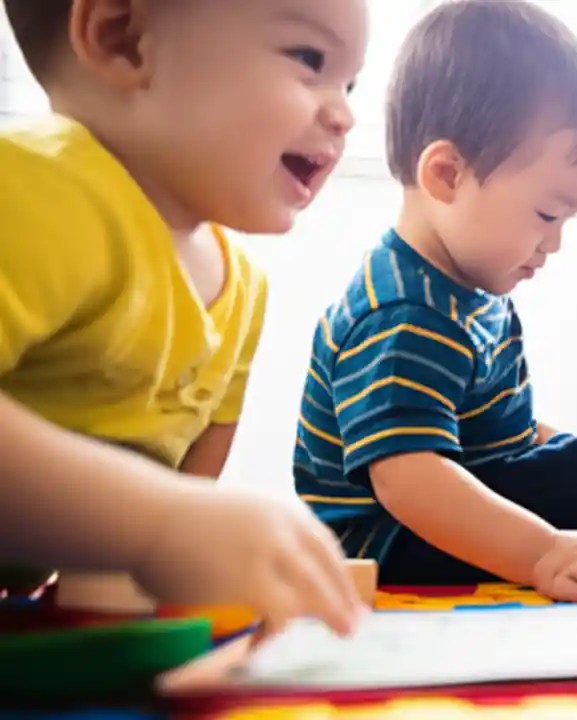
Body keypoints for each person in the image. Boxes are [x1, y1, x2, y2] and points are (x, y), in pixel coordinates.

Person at [294, 0, 577, 602]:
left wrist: (566, 455)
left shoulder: (471, 294)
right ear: (447, 175)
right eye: (546, 214)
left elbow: (507, 436)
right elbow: (410, 479)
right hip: (387, 542)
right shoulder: (403, 312)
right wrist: (543, 551)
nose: (553, 242)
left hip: (441, 508)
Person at [0, 0, 369, 633]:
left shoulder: (241, 287)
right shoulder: (37, 186)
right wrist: (156, 526)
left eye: (350, 82)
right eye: (309, 60)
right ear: (124, 40)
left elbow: (189, 492)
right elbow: (168, 516)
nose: (344, 115)